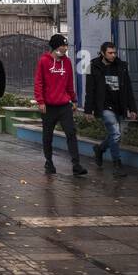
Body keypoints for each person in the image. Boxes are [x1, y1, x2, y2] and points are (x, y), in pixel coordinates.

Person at [34, 33, 87, 176]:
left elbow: (70, 83)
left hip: (64, 105)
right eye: (62, 45)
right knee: (48, 135)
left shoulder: (67, 62)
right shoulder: (44, 61)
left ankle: (76, 165)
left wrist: (74, 99)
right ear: (55, 46)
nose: (65, 48)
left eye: (66, 45)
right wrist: (40, 101)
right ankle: (49, 162)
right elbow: (39, 82)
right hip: (49, 106)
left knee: (71, 133)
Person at [83, 41, 137, 175]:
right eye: (110, 53)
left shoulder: (121, 66)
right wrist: (88, 111)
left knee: (114, 135)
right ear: (102, 53)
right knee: (116, 133)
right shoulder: (93, 66)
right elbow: (90, 90)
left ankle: (100, 149)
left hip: (119, 105)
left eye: (114, 52)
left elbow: (128, 89)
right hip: (104, 106)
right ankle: (117, 164)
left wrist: (133, 108)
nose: (113, 55)